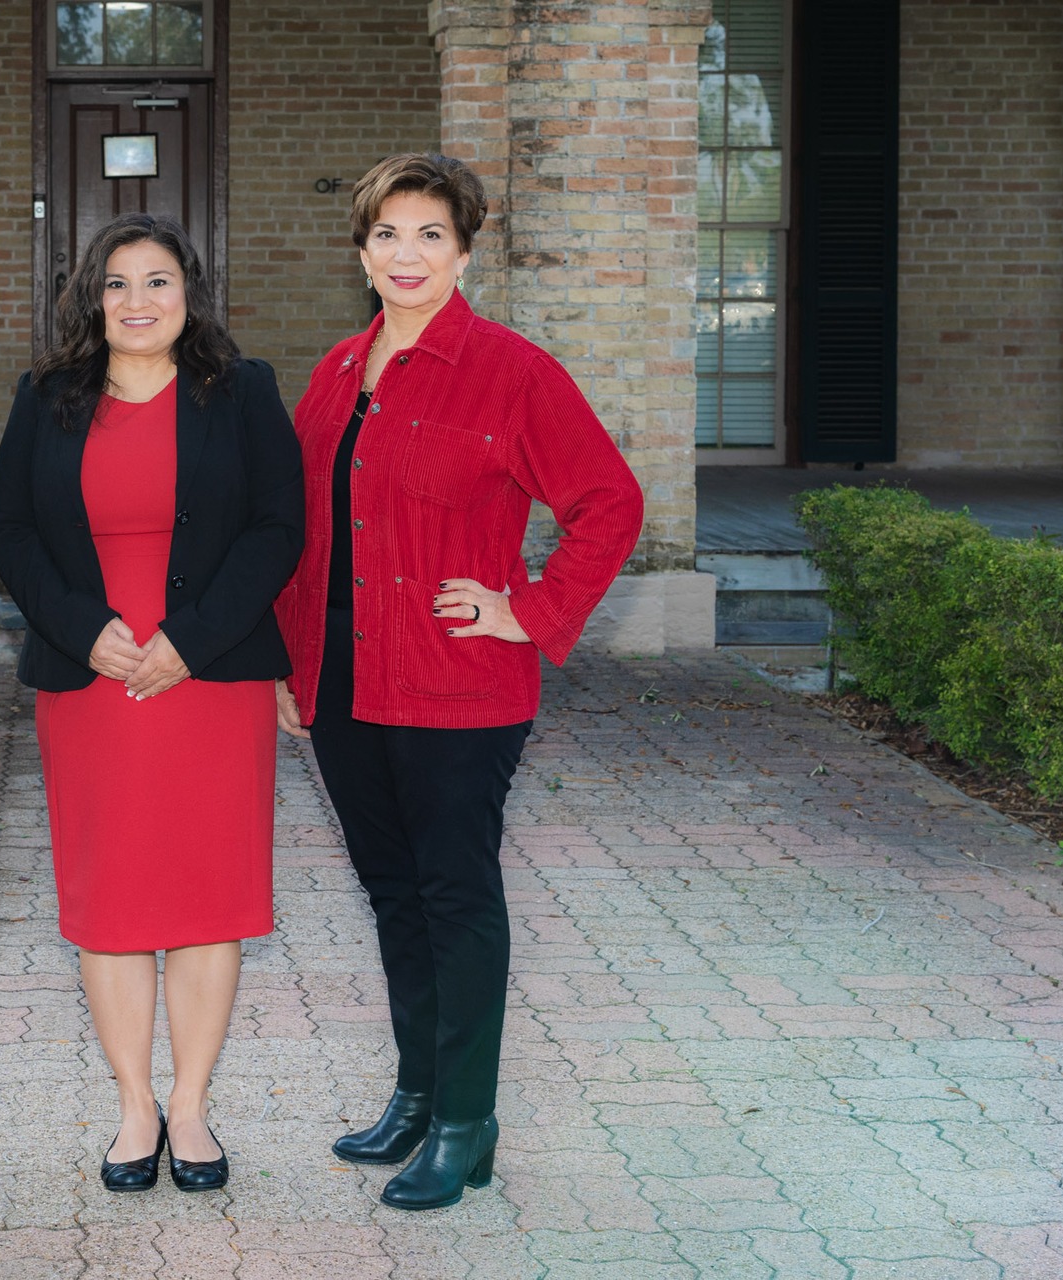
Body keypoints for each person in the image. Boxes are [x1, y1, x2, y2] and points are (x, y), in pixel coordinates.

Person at [274, 153, 642, 1211]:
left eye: (429, 234)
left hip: (455, 684)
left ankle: (466, 1118)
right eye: (387, 233)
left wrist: (524, 606)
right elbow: (302, 533)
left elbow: (606, 502)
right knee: (393, 893)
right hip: (341, 678)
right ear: (360, 251)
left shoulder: (510, 371)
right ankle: (418, 1089)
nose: (405, 253)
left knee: (454, 891)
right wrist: (285, 670)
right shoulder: (337, 371)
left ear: (463, 250)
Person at [0, 213, 303, 1194]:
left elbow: (276, 525)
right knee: (111, 900)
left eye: (157, 281)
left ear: (188, 292)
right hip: (93, 683)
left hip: (208, 682)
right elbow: (9, 529)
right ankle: (134, 1107)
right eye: (115, 283)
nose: (136, 301)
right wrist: (84, 627)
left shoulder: (241, 392)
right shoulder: (46, 398)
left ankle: (194, 1107)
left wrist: (188, 640)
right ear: (90, 297)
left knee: (210, 897)